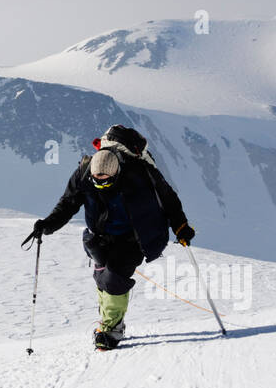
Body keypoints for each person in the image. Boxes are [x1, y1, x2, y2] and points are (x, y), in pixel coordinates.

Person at [26, 125, 195, 351]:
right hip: (98, 237)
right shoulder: (84, 173)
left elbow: (168, 198)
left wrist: (181, 226)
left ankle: (110, 329)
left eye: (106, 180)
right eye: (97, 180)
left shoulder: (140, 174)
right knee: (102, 279)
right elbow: (68, 203)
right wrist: (47, 225)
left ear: (117, 172)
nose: (101, 184)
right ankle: (110, 319)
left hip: (132, 238)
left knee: (114, 279)